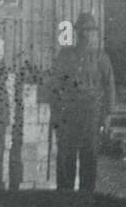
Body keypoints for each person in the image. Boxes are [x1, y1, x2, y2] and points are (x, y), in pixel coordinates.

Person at [49, 11, 116, 192]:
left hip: (91, 113)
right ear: (77, 34)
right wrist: (55, 112)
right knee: (66, 155)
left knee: (89, 155)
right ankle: (64, 197)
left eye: (90, 31)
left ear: (95, 34)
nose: (87, 35)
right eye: (83, 31)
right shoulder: (66, 55)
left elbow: (109, 86)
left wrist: (108, 115)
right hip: (68, 113)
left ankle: (87, 197)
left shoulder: (102, 58)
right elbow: (55, 84)